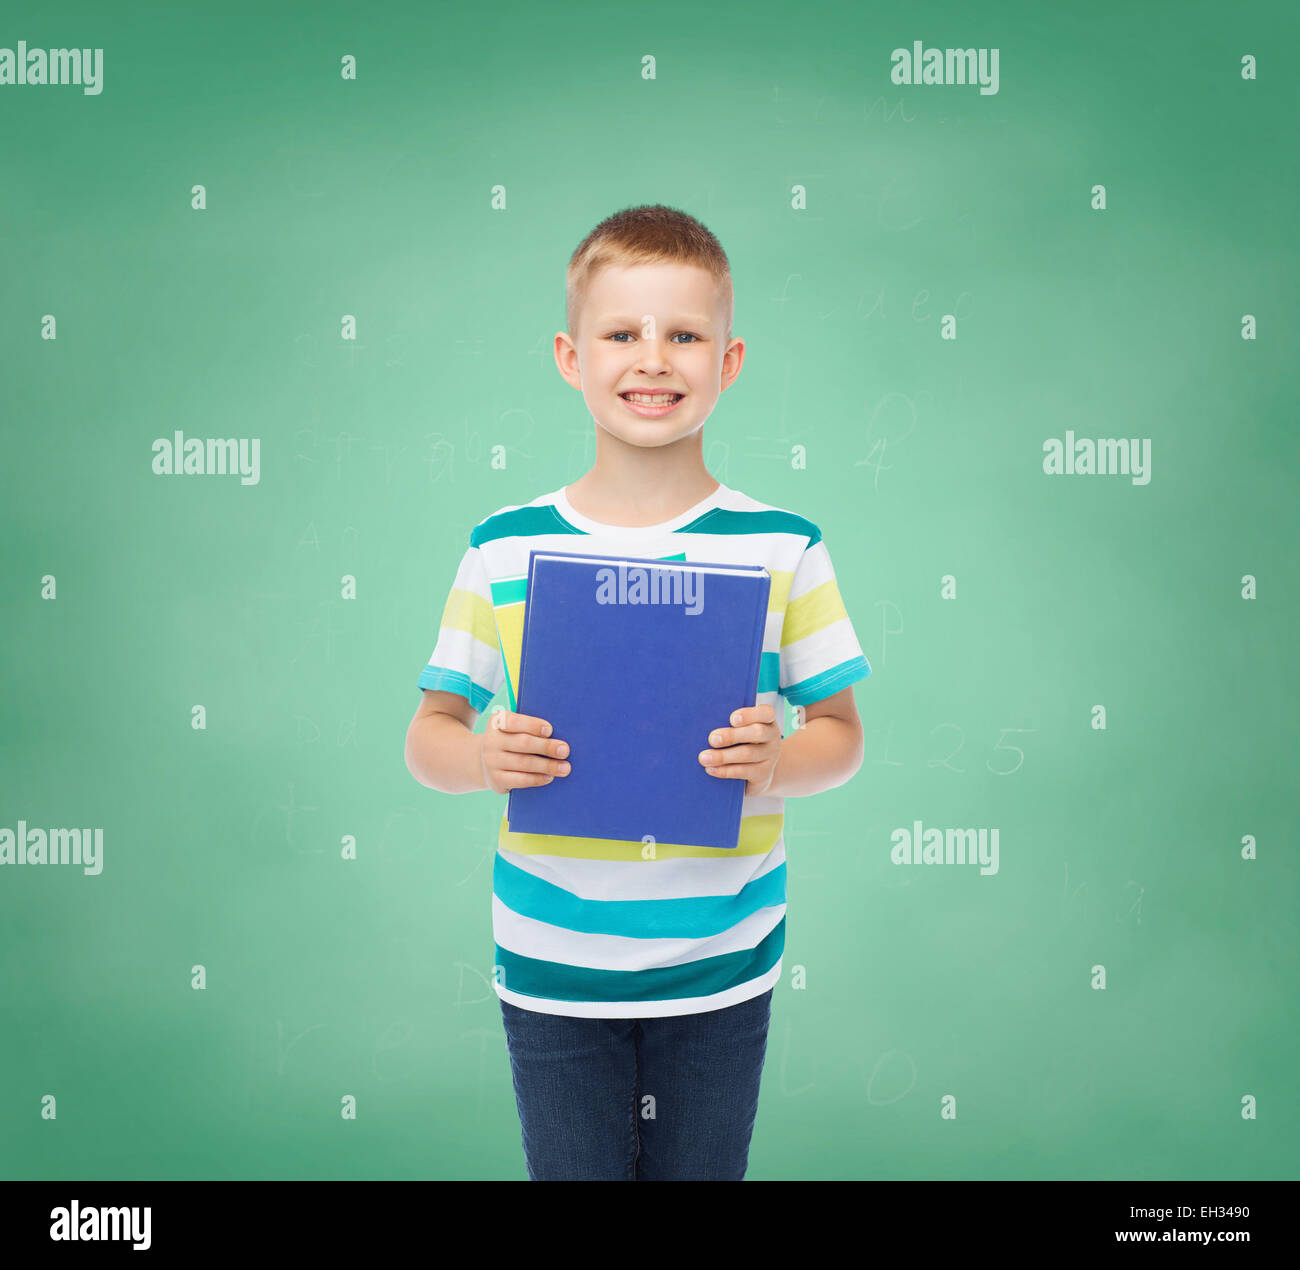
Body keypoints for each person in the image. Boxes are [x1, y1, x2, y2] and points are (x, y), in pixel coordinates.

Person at [404, 203, 871, 1180]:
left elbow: (841, 734)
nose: (652, 359)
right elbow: (430, 735)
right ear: (571, 356)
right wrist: (483, 755)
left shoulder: (784, 544)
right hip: (551, 964)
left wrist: (779, 760)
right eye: (622, 333)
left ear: (728, 361)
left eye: (683, 336)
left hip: (723, 961)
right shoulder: (505, 544)